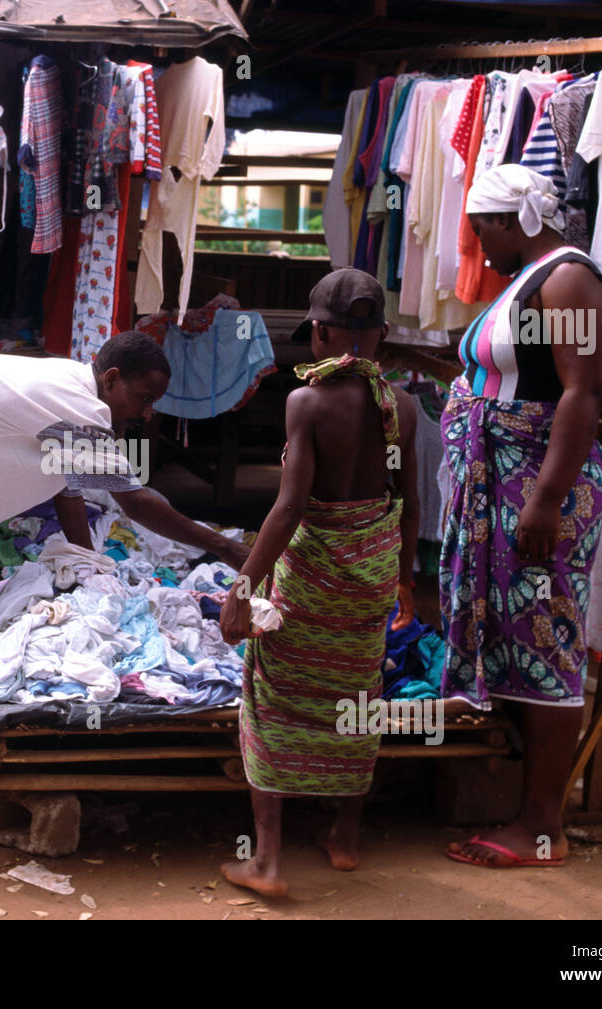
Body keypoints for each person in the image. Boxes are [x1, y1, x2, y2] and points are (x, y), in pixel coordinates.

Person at [0, 331, 251, 793]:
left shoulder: (72, 391)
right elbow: (135, 503)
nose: (146, 412)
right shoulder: (82, 408)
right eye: (144, 398)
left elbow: (65, 486)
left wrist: (90, 565)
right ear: (112, 379)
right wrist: (226, 548)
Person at [218, 269, 419, 897]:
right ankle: (345, 838)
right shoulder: (404, 408)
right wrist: (404, 580)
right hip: (372, 576)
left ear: (322, 333)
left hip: (312, 578)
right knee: (358, 691)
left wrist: (243, 589)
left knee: (271, 693)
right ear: (382, 334)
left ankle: (268, 862)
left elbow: (289, 506)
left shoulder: (306, 401)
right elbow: (408, 503)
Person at [441, 164, 602, 868]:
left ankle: (544, 826)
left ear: (514, 222)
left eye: (483, 230)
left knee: (546, 642)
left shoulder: (568, 279)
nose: (477, 244)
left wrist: (545, 498)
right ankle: (525, 810)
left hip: (539, 487)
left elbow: (584, 390)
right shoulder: (526, 279)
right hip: (502, 485)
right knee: (516, 639)